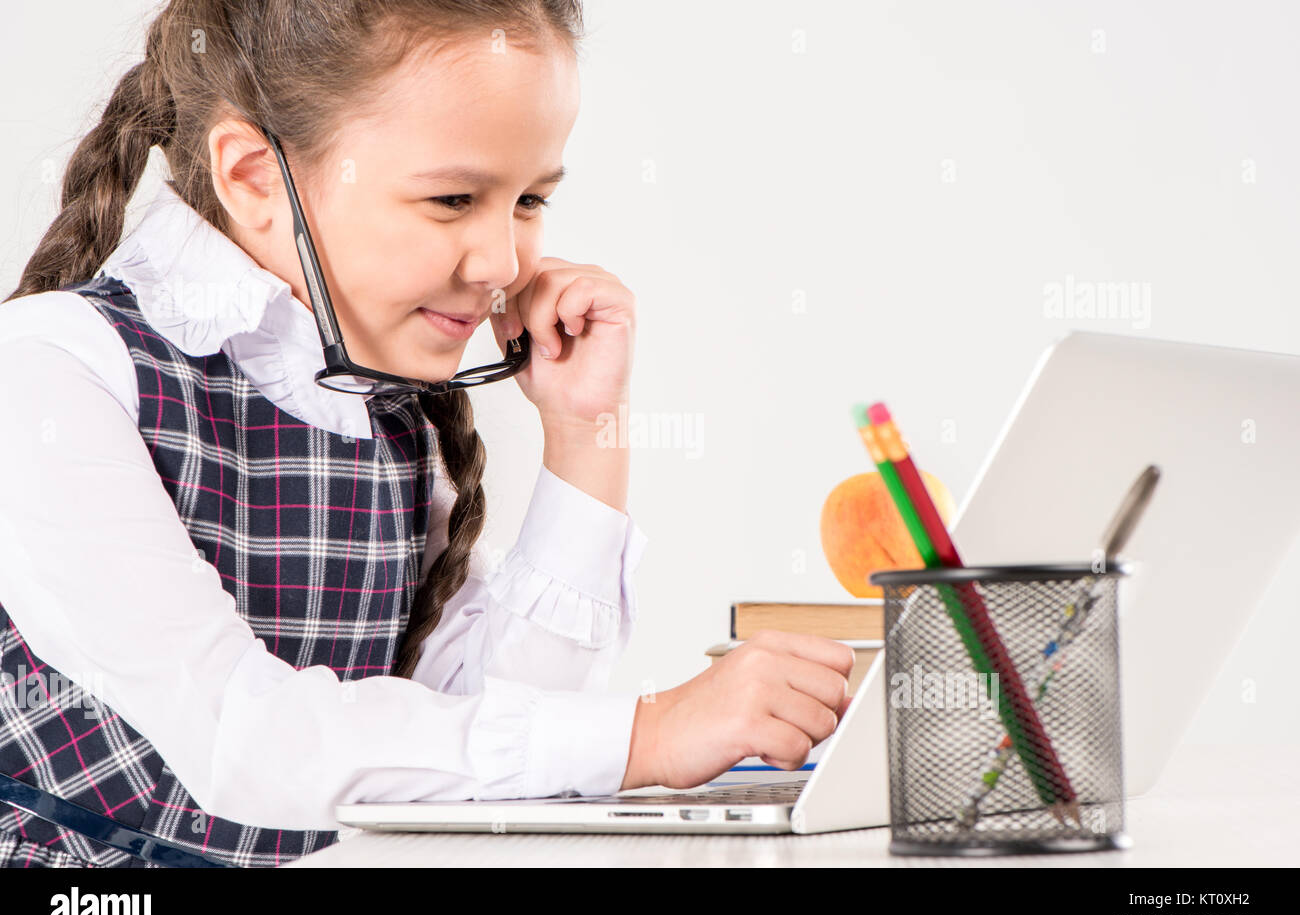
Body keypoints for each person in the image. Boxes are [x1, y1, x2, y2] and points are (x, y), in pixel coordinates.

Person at [0, 0, 852, 868]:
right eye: (453, 198)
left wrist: (584, 428)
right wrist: (652, 731)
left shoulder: (374, 399)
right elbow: (242, 736)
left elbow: (476, 739)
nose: (503, 266)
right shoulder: (49, 367)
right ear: (255, 177)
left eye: (528, 199)